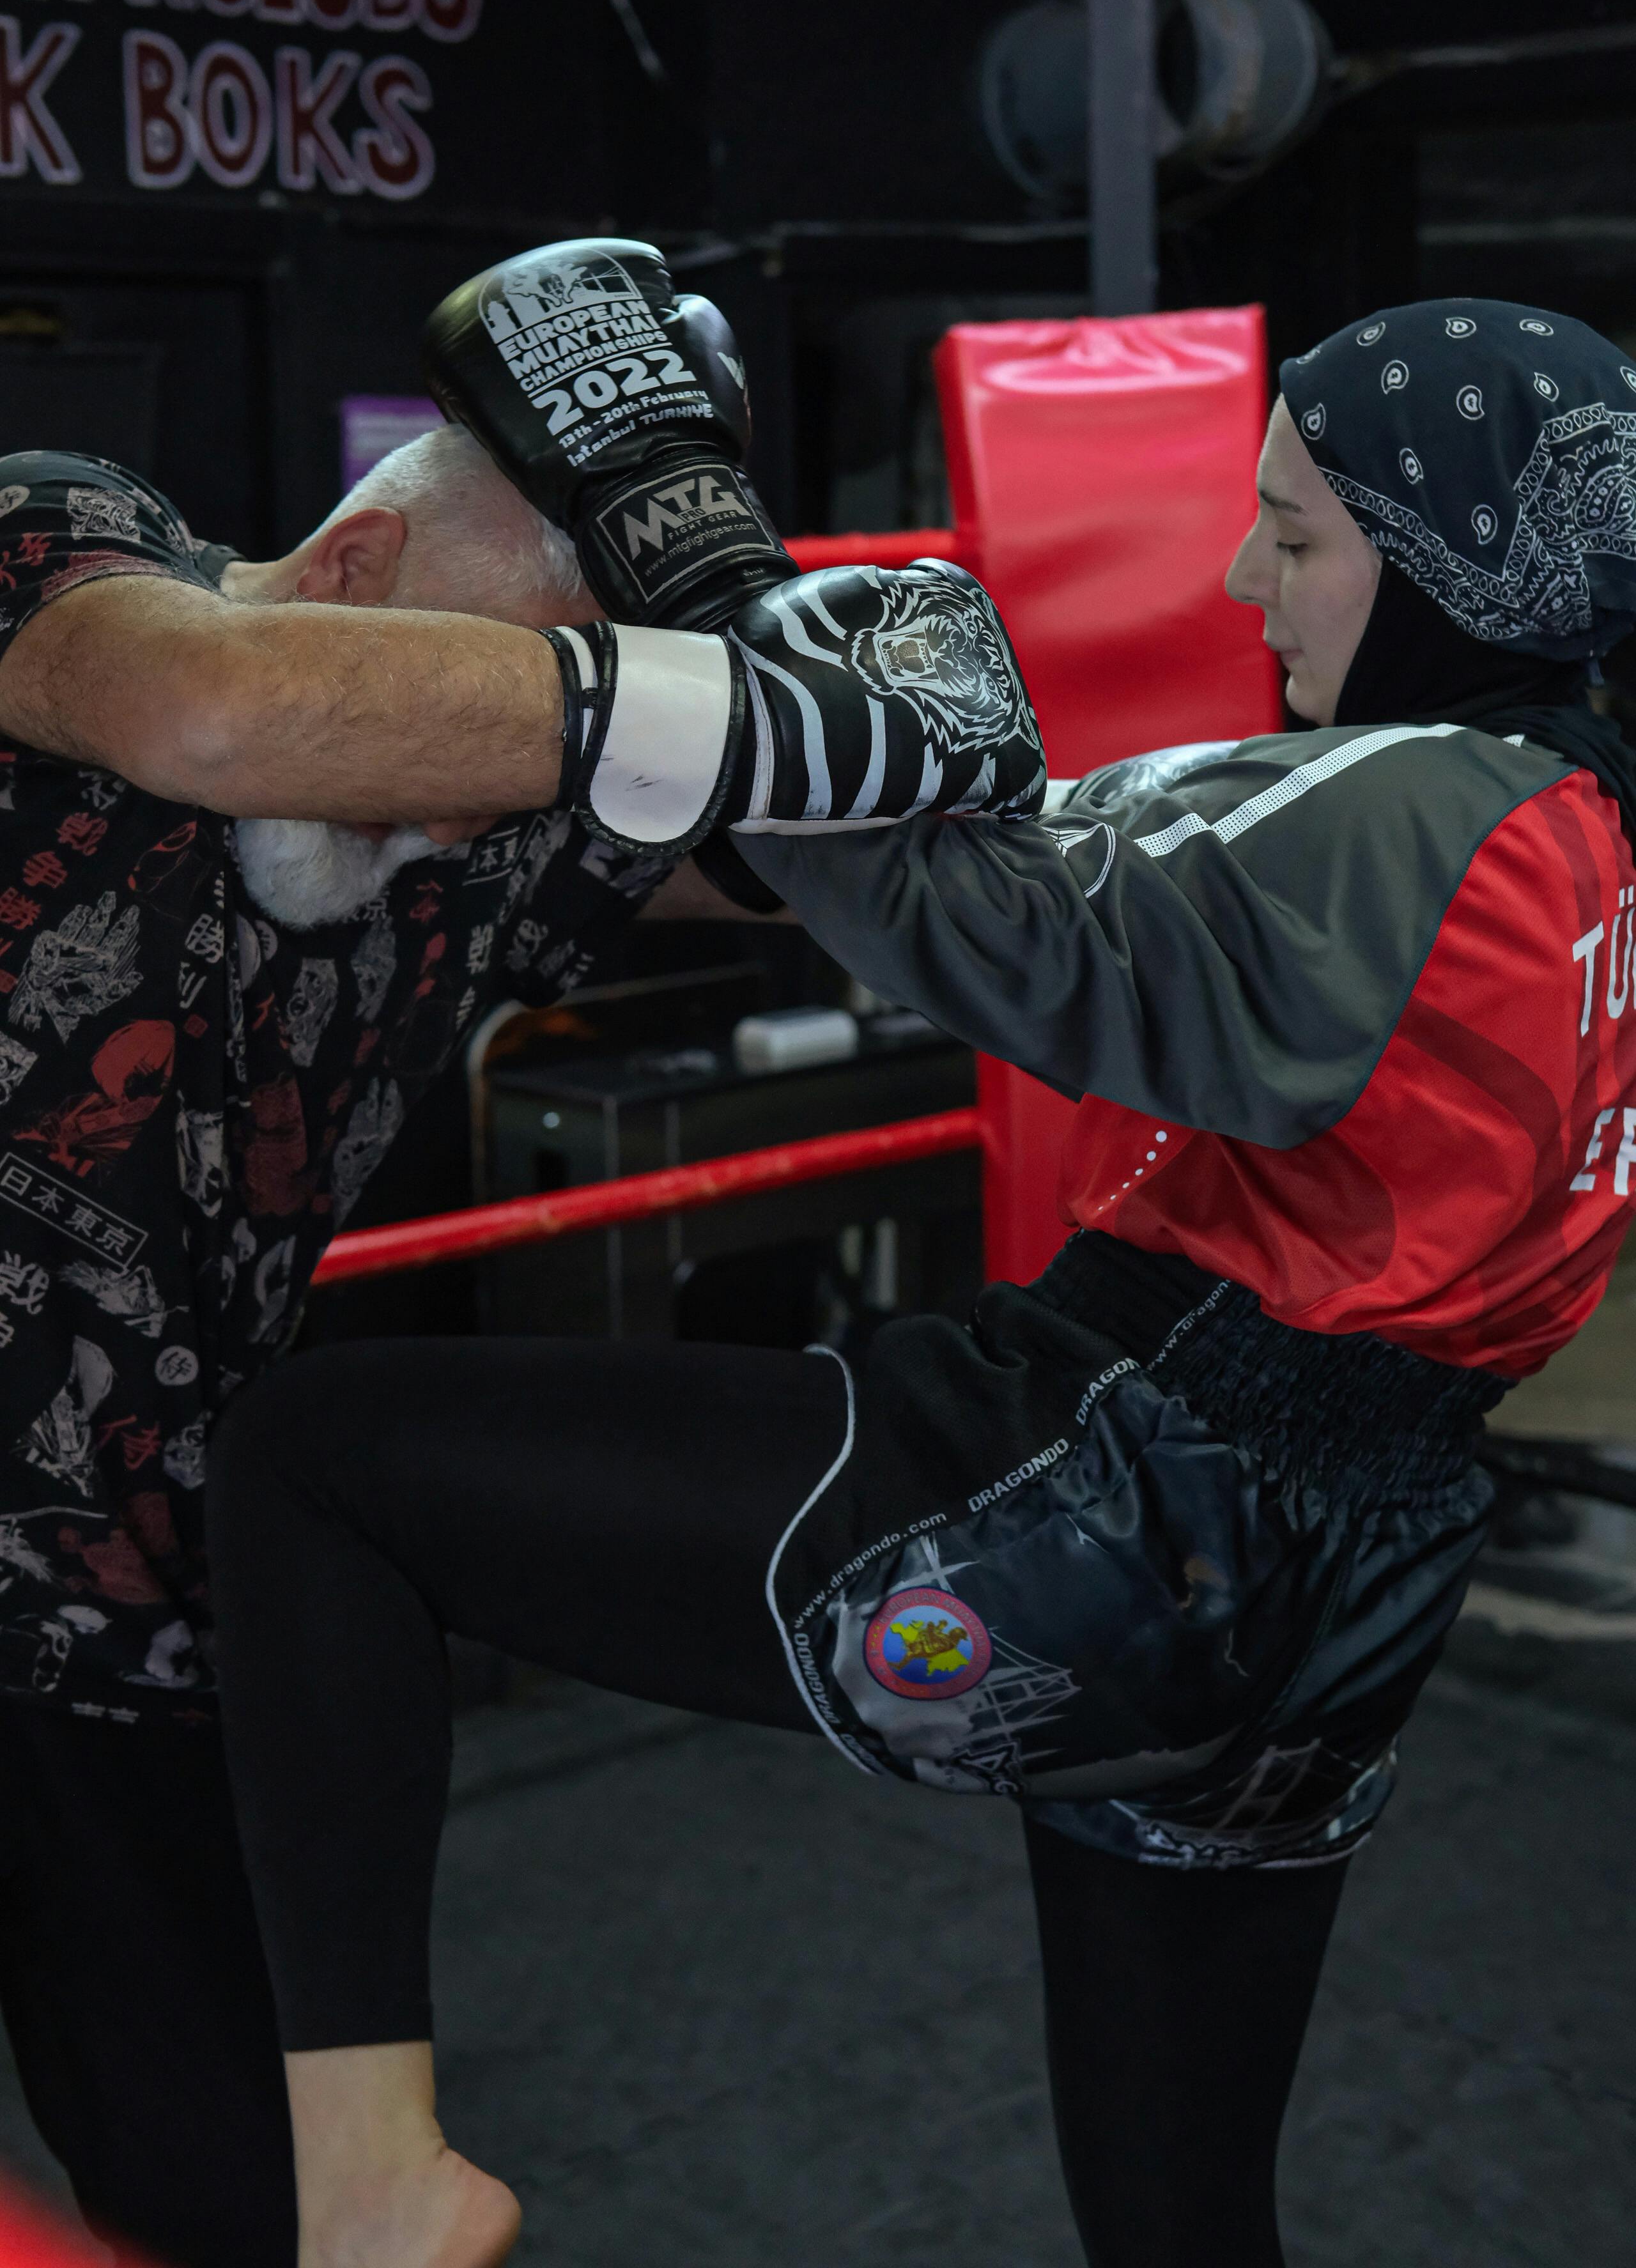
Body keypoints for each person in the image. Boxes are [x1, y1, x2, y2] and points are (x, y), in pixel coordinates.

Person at [206, 294, 1636, 2268]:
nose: (1246, 578)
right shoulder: (1584, 819)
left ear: (1449, 559)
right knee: (1183, 2217)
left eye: (1299, 533)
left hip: (1122, 1509)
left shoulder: (1408, 801)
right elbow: (1080, 862)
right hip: (1359, 1582)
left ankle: (378, 2179)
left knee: (312, 1458)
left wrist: (700, 554)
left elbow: (990, 917)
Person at [0, 376, 1041, 2265]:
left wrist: (898, 669)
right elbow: (208, 705)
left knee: (217, 2194)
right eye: (477, 702)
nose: (483, 788)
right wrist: (678, 704)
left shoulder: (478, 834)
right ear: (357, 572)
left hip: (120, 1615)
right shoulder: (65, 533)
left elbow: (839, 838)